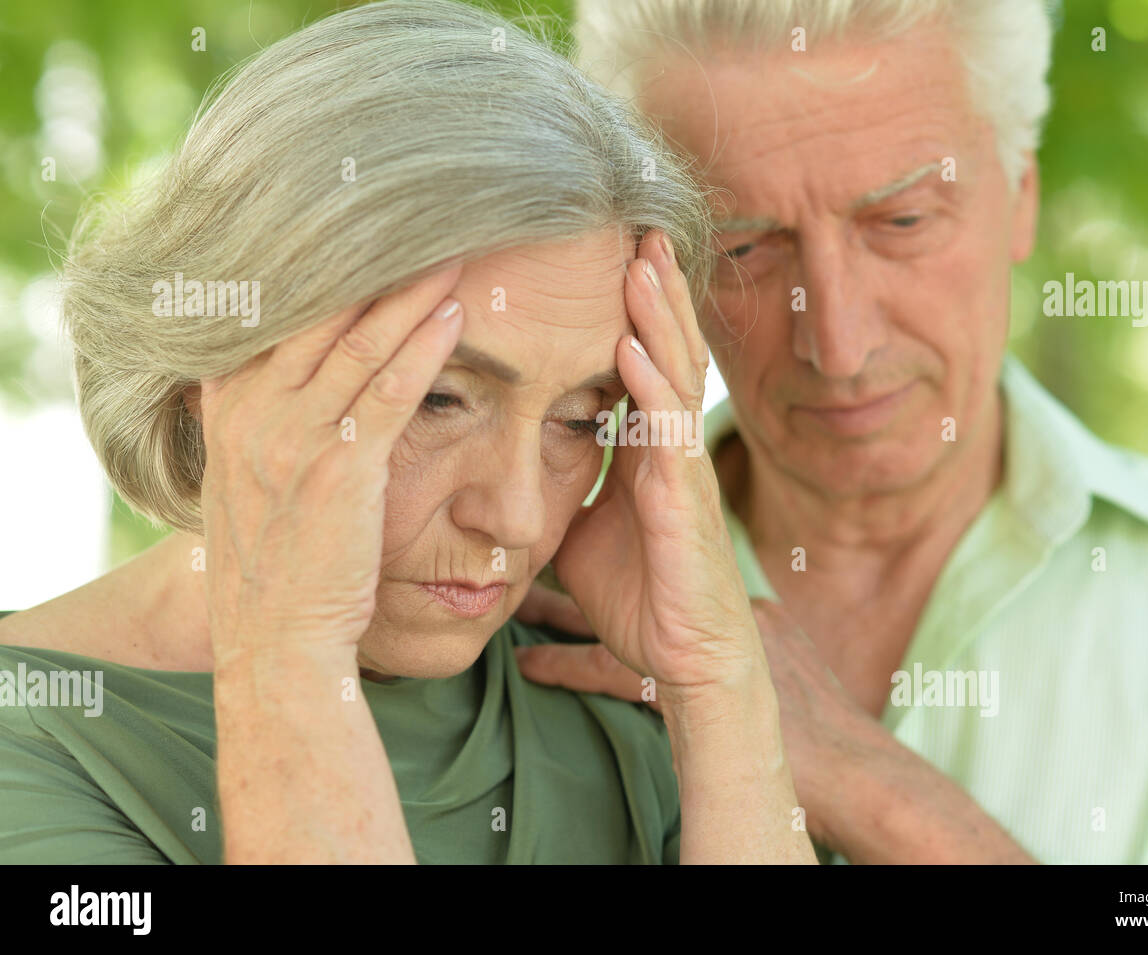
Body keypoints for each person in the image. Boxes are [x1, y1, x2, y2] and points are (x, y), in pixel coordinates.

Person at [0, 0, 814, 865]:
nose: (516, 516)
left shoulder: (627, 702)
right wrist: (291, 650)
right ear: (229, 372)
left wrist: (717, 686)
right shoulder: (38, 739)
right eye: (437, 399)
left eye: (581, 419)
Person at [515, 0, 1148, 864]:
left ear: (1024, 196)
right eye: (744, 251)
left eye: (903, 222)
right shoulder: (522, 587)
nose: (840, 347)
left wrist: (854, 774)